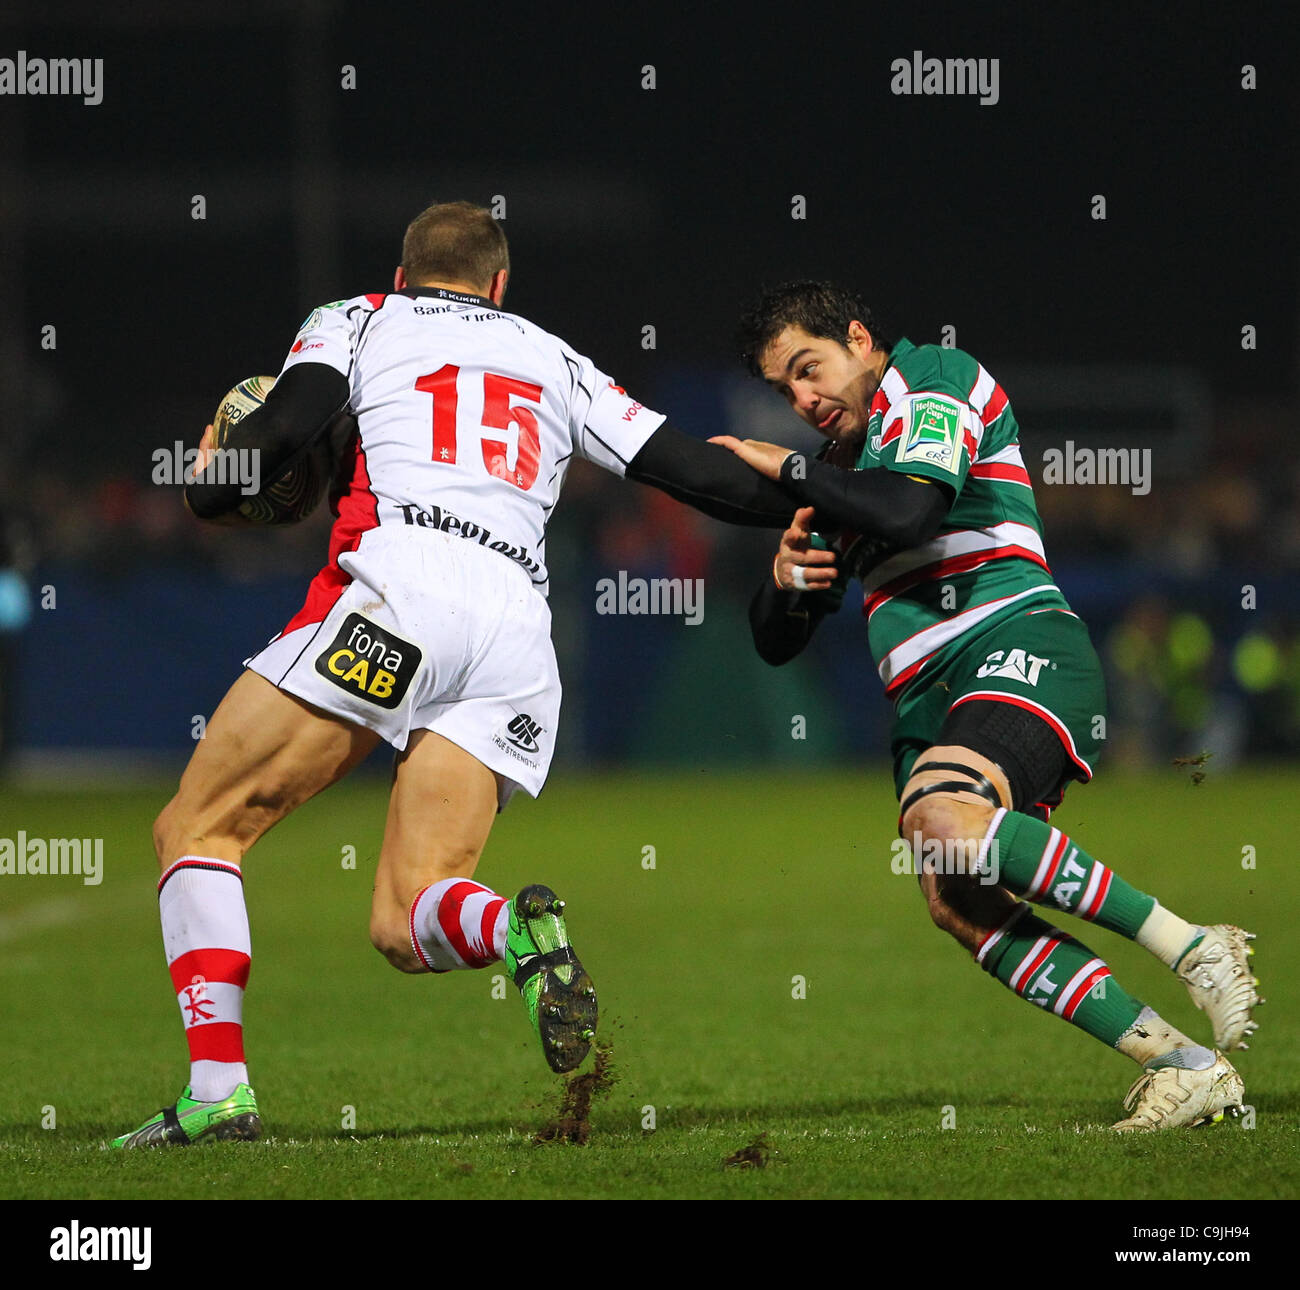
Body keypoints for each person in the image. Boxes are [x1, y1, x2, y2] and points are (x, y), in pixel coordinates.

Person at [111, 202, 800, 1148]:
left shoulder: (355, 319)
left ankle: (219, 1093)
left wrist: (212, 483)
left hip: (400, 597)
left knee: (198, 825)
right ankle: (513, 937)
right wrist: (816, 499)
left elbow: (287, 428)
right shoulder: (556, 359)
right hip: (517, 632)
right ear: (500, 285)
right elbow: (691, 471)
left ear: (404, 274)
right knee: (408, 916)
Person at [712, 281, 1261, 1132]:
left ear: (860, 338)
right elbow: (776, 640)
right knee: (960, 904)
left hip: (1015, 643)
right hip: (930, 701)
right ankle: (1183, 1065)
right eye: (784, 391)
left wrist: (787, 471)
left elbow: (913, 506)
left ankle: (1193, 945)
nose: (803, 400)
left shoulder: (932, 379)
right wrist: (787, 580)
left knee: (943, 818)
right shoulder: (840, 477)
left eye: (808, 370)